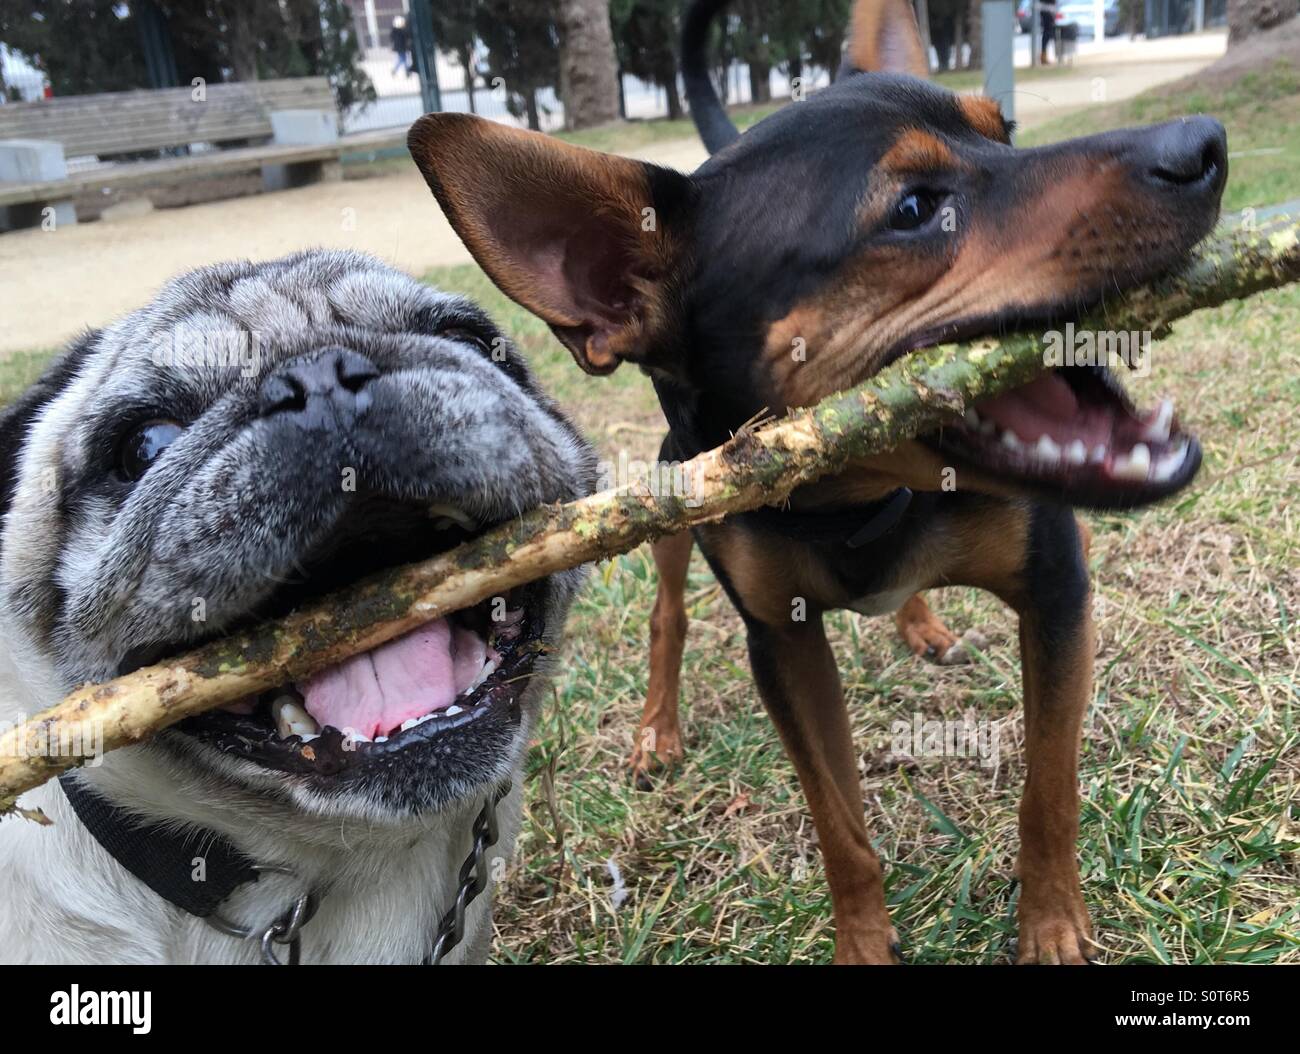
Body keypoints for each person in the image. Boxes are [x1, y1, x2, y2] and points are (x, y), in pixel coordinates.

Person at [1038, 0, 1058, 64]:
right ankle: (1043, 56)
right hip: (1047, 9)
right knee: (1047, 33)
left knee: (1048, 33)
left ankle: (1044, 55)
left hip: (1049, 8)